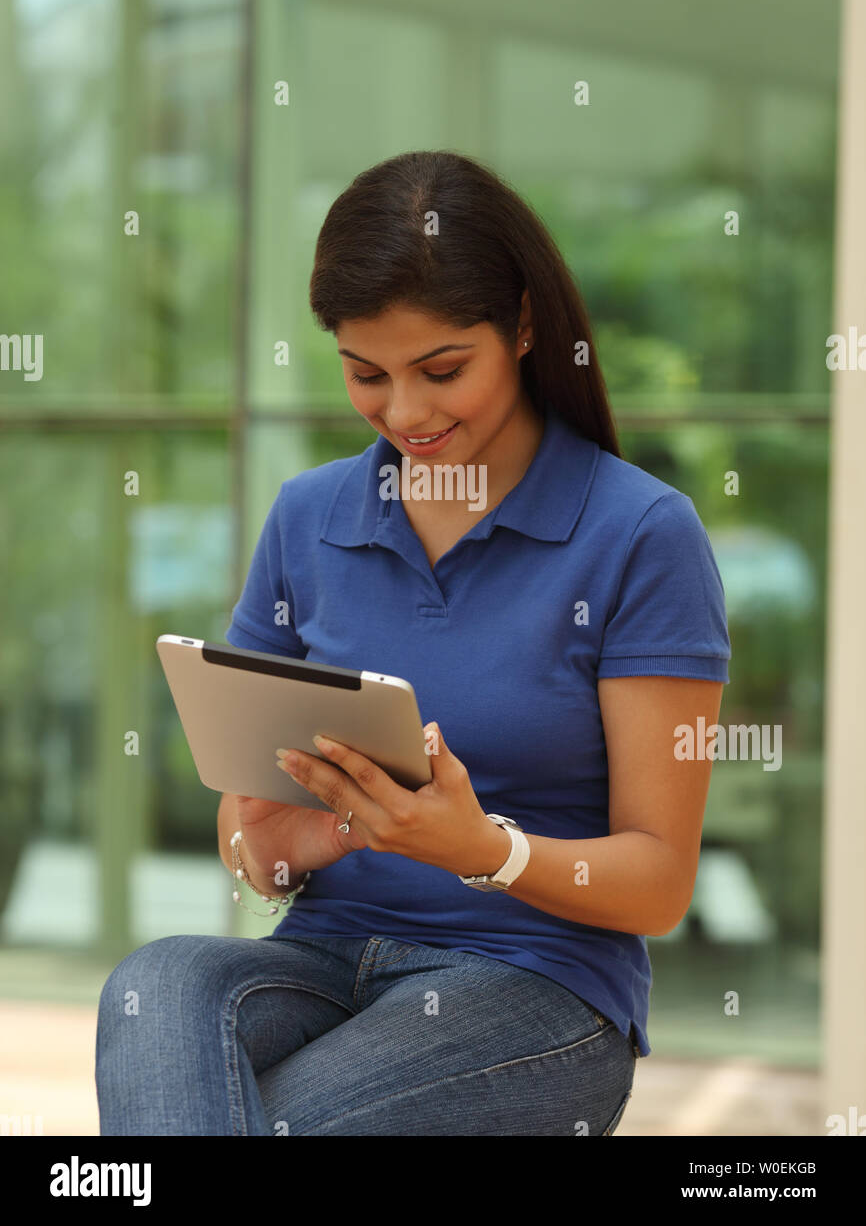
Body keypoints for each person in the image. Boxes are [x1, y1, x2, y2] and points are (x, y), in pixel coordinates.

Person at [95, 150, 730, 1136]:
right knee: (156, 981)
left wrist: (483, 849)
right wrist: (288, 845)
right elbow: (244, 829)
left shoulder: (640, 535)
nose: (405, 414)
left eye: (441, 371)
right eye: (364, 374)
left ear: (522, 325)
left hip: (534, 980)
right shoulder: (309, 517)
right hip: (321, 953)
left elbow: (658, 882)